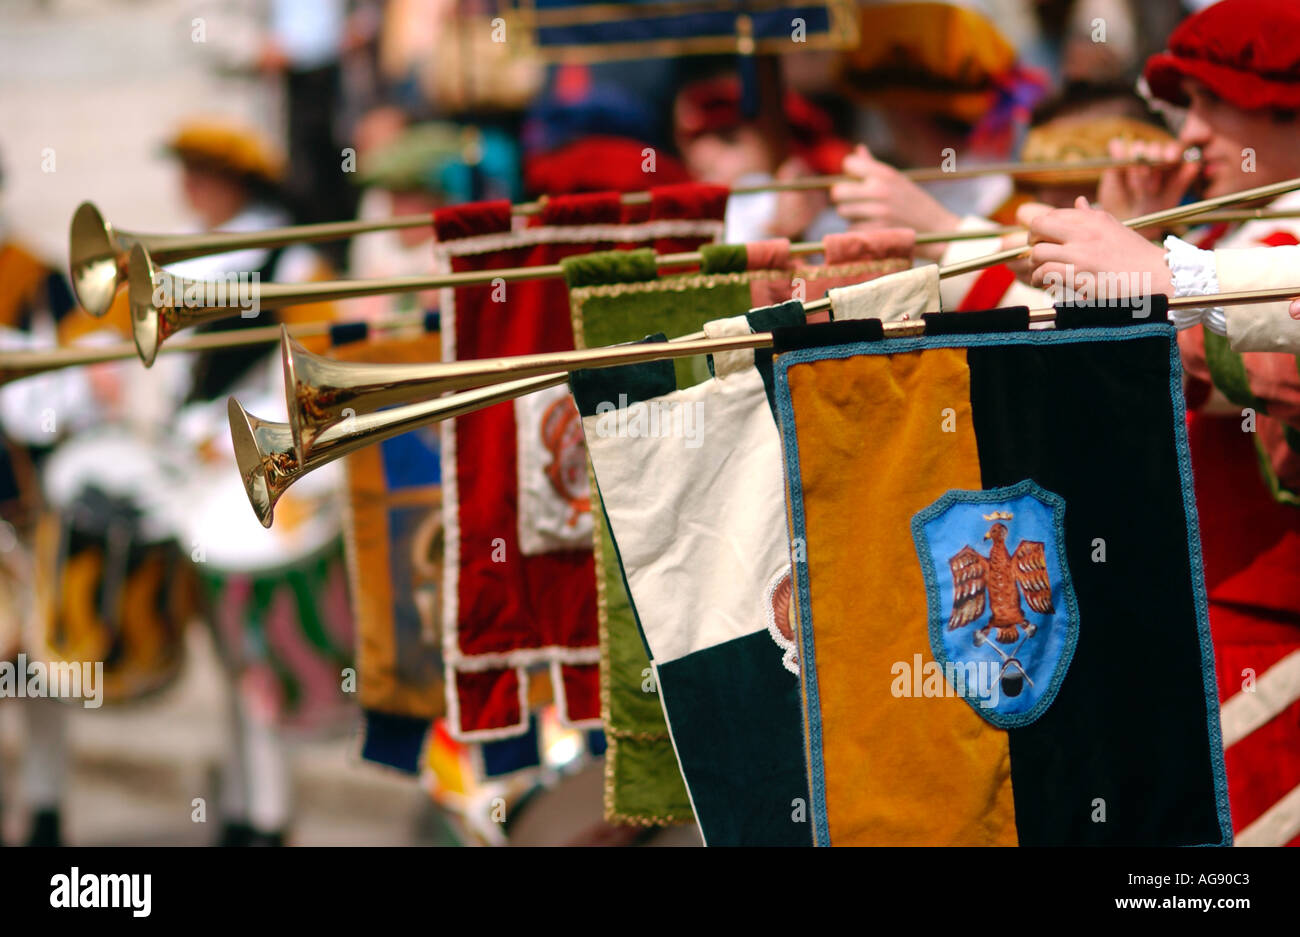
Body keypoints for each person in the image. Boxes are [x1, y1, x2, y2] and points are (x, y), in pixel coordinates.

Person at [1025, 0, 1300, 846]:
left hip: (1270, 615)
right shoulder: (1228, 231)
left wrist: (1159, 267)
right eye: (1189, 105)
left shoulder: (1259, 242)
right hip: (1207, 608)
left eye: (1218, 102)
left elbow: (1268, 365)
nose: (1193, 131)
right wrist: (1141, 230)